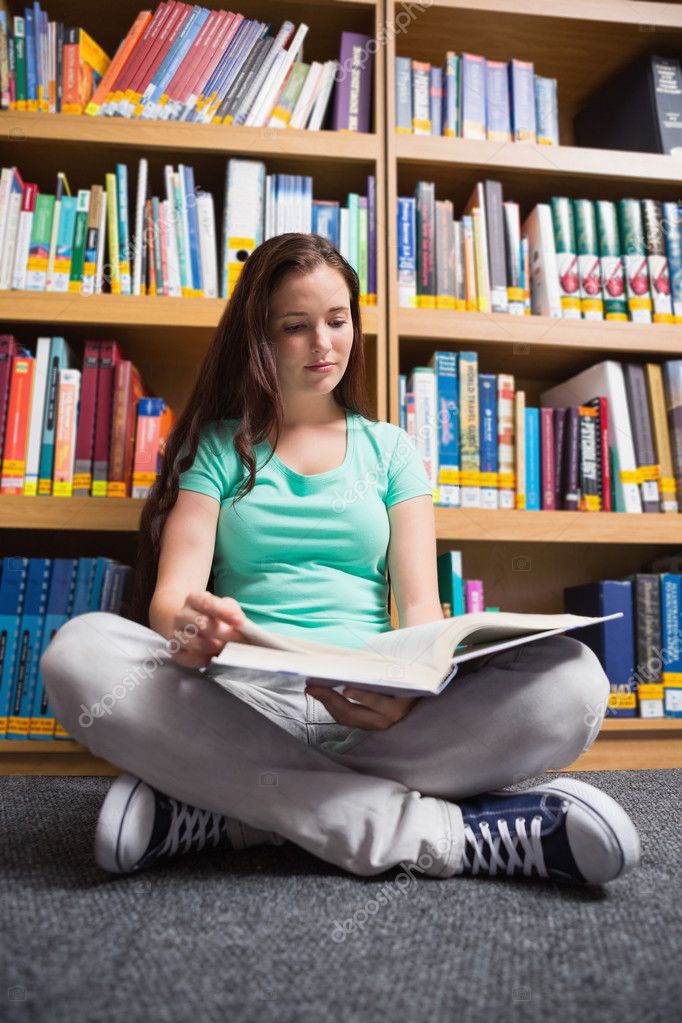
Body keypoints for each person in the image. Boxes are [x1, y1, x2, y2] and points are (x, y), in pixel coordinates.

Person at [40, 233, 641, 886]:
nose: (323, 345)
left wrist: (411, 694)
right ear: (260, 339)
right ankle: (451, 835)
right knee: (79, 652)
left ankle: (229, 811)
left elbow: (420, 612)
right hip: (237, 706)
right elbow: (170, 597)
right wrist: (194, 626)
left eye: (337, 320)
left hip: (372, 719)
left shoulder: (391, 451)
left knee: (576, 683)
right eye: (296, 327)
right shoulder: (216, 447)